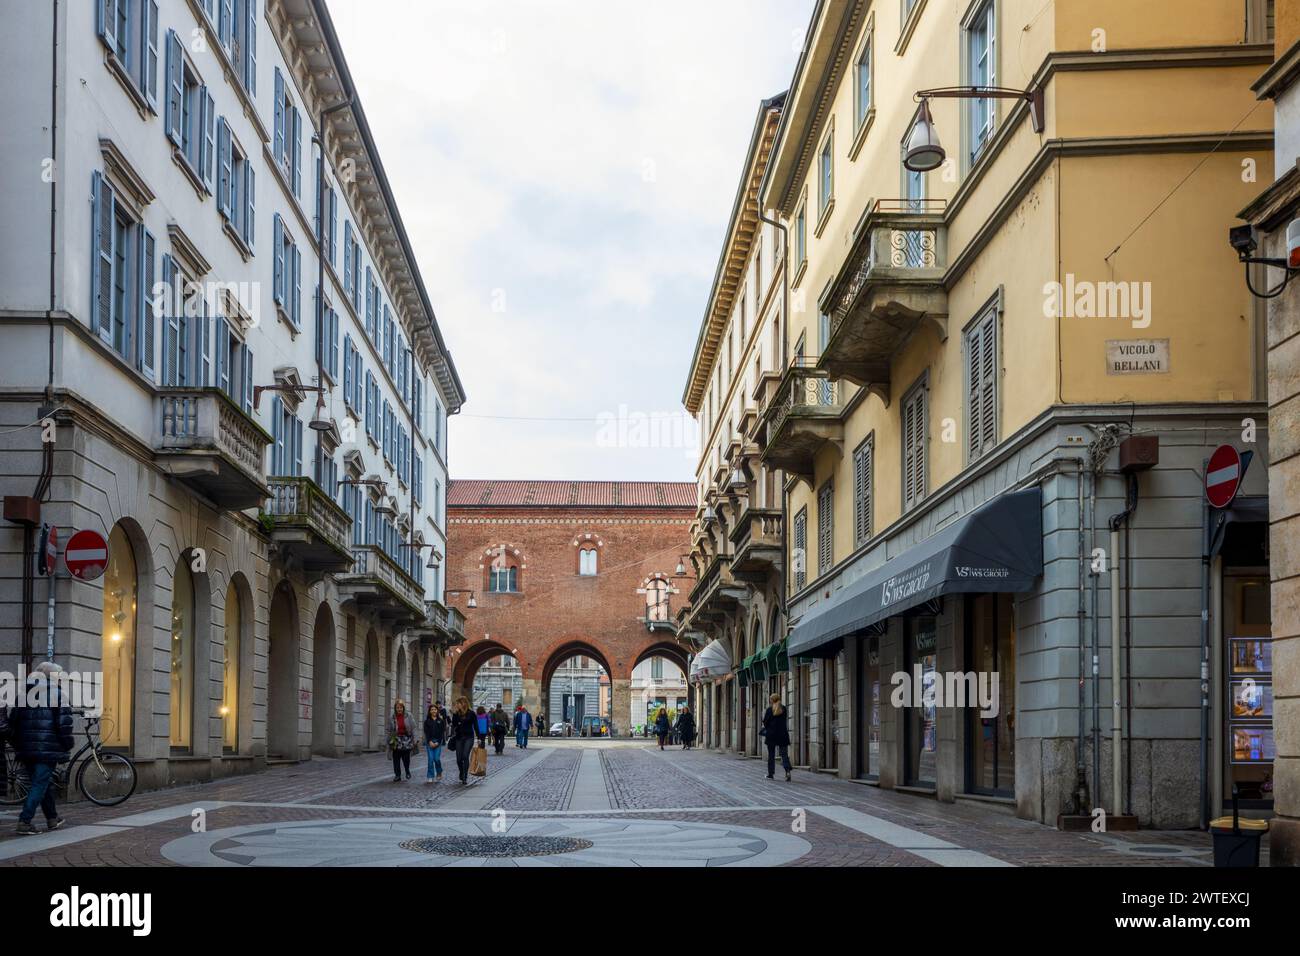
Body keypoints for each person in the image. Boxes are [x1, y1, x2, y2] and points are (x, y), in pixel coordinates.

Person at [9, 662, 74, 834]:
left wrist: (18, 745)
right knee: (39, 783)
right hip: (47, 748)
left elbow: (13, 722)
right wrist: (67, 744)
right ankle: (25, 821)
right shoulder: (59, 694)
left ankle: (52, 818)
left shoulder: (24, 694)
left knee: (42, 782)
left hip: (26, 748)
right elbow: (64, 725)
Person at [762, 693, 792, 781]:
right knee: (784, 754)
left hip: (771, 735)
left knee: (771, 755)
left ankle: (771, 774)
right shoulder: (783, 709)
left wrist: (769, 728)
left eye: (770, 699)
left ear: (772, 700)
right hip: (782, 735)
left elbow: (765, 722)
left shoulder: (769, 710)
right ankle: (787, 771)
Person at [449, 697, 477, 784]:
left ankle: (465, 776)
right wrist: (454, 714)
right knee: (458, 759)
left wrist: (480, 738)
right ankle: (461, 771)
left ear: (463, 704)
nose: (457, 705)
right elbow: (453, 725)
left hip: (469, 737)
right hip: (459, 737)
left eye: (458, 703)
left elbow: (476, 726)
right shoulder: (456, 714)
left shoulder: (471, 713)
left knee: (465, 756)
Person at [387, 700, 415, 782]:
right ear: (395, 708)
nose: (399, 709)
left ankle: (407, 770)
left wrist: (415, 739)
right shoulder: (392, 717)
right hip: (396, 739)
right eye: (397, 708)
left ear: (403, 708)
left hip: (406, 739)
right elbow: (388, 730)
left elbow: (413, 728)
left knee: (406, 758)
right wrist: (388, 740)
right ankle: (397, 775)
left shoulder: (408, 715)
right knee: (396, 758)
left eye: (401, 707)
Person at [423, 703, 447, 783]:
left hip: (438, 742)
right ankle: (430, 775)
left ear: (437, 711)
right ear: (430, 711)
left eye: (435, 709)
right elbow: (426, 733)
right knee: (430, 759)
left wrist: (438, 742)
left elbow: (441, 733)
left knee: (436, 759)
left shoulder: (441, 721)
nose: (433, 711)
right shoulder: (427, 722)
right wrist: (429, 741)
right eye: (432, 710)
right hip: (429, 742)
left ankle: (439, 772)